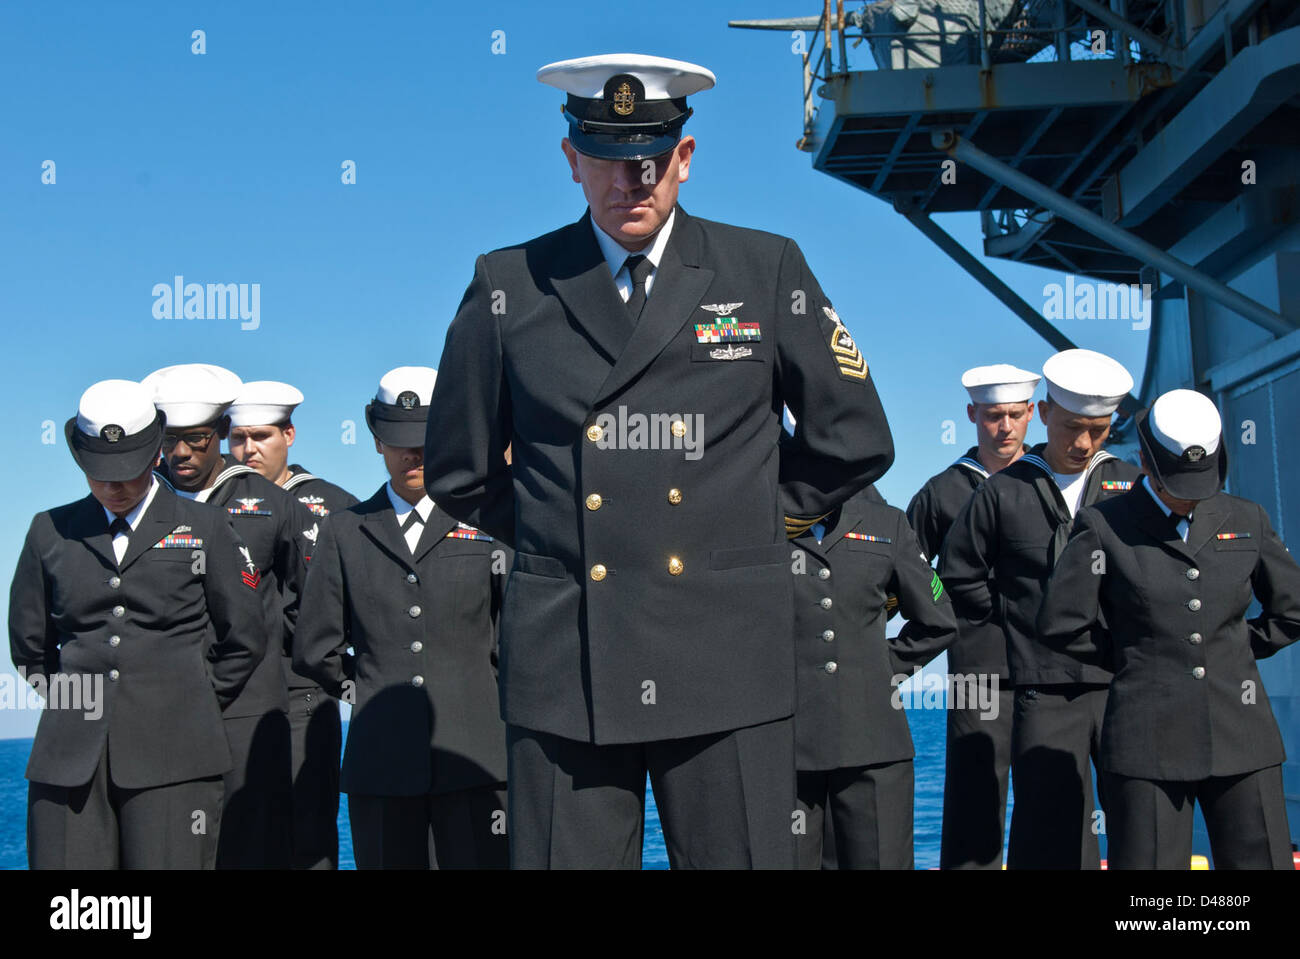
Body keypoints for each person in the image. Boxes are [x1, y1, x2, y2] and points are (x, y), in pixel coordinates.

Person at [423, 54, 894, 868]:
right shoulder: (510, 285)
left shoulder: (763, 269)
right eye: (606, 158)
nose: (629, 180)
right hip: (569, 656)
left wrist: (750, 520)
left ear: (684, 157)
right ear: (571, 160)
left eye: (649, 158)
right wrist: (557, 533)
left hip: (726, 652)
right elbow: (458, 469)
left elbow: (854, 436)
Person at [1038, 389, 1300, 868]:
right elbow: (1062, 625)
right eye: (1176, 484)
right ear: (1145, 460)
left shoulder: (1247, 519)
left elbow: (1293, 610)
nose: (1188, 497)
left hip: (1242, 736)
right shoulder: (1103, 526)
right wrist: (1135, 657)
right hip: (1146, 742)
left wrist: (1238, 647)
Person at [10, 380, 265, 868]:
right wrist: (76, 702)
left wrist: (191, 701)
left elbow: (244, 636)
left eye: (126, 471)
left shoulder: (207, 527)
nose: (114, 486)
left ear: (153, 455)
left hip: (179, 756)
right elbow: (29, 647)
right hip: (69, 759)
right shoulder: (49, 531)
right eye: (100, 474)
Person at [294, 367, 509, 868]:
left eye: (424, 439)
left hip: (475, 758)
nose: (412, 454)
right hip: (381, 763)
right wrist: (368, 690)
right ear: (376, 441)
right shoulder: (344, 532)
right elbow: (315, 648)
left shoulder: (488, 523)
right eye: (399, 441)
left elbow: (512, 637)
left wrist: (479, 694)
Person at [940, 348, 1140, 869]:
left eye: (1098, 431)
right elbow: (957, 572)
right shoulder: (1002, 491)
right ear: (1046, 413)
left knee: (1141, 821)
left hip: (1125, 681)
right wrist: (1013, 623)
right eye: (1072, 426)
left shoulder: (1133, 486)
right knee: (1049, 830)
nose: (1082, 444)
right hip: (1044, 684)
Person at [142, 363, 315, 869]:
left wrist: (274, 667)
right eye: (169, 440)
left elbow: (311, 604)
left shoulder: (274, 505)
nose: (180, 454)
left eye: (195, 439)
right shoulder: (139, 508)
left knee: (252, 847)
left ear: (220, 432)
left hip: (248, 707)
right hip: (160, 709)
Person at [906, 363, 1037, 869]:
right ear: (971, 415)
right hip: (977, 670)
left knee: (1050, 799)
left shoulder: (1050, 484)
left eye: (1012, 416)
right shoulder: (943, 492)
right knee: (973, 800)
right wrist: (949, 606)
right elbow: (910, 571)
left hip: (1050, 665)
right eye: (991, 416)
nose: (1003, 427)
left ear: (1031, 414)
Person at [228, 380, 358, 870]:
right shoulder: (215, 503)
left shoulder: (337, 505)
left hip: (307, 691)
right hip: (240, 693)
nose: (248, 448)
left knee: (310, 834)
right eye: (238, 438)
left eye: (261, 436)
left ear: (290, 435)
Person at [791, 485, 957, 868]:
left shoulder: (887, 523)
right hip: (787, 747)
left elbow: (938, 621)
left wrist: (879, 670)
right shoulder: (761, 518)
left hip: (874, 745)